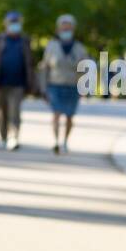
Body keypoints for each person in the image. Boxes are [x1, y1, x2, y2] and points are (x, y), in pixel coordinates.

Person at [0, 10, 35, 149]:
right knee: (1, 112)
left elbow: (30, 63)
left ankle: (14, 138)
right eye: (11, 22)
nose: (14, 25)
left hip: (18, 83)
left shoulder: (25, 41)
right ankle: (3, 137)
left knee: (15, 112)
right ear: (6, 24)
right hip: (0, 82)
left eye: (16, 22)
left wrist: (31, 82)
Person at [39, 14, 88, 153]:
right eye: (63, 26)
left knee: (69, 116)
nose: (66, 29)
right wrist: (43, 89)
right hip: (55, 84)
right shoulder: (51, 46)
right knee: (56, 113)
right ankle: (56, 141)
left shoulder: (79, 48)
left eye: (69, 27)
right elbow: (45, 68)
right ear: (58, 28)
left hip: (73, 86)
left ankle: (65, 141)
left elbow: (85, 68)